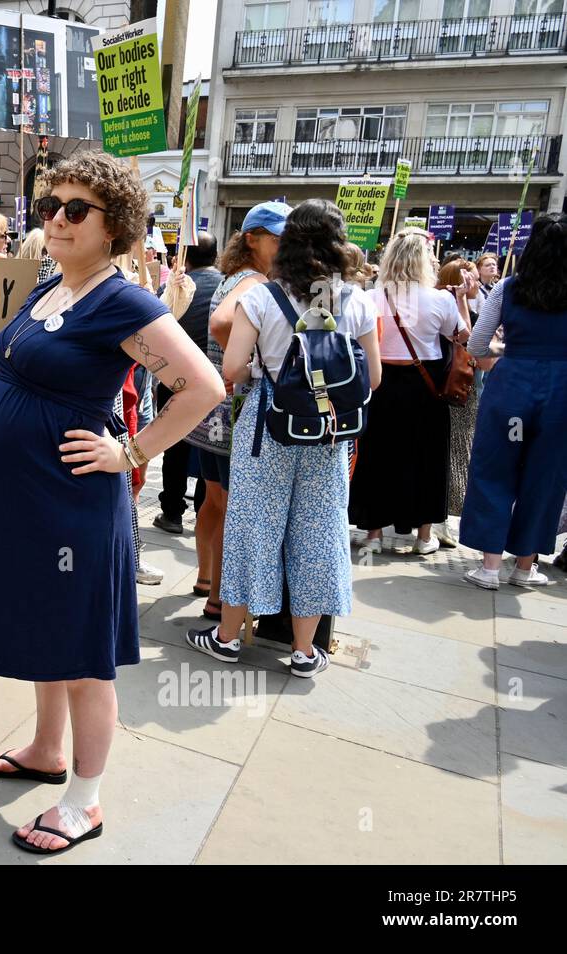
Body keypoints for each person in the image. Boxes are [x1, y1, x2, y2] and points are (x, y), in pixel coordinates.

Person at [0, 151, 224, 855]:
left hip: (69, 503)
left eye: (77, 210)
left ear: (117, 227)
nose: (59, 219)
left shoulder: (123, 302)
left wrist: (132, 452)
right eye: (51, 207)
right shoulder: (49, 287)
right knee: (45, 629)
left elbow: (202, 387)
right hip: (24, 501)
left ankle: (85, 799)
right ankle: (47, 750)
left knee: (80, 653)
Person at [188, 198, 382, 677]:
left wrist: (263, 368)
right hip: (327, 431)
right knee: (318, 534)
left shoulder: (262, 297)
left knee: (253, 528)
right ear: (338, 244)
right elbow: (372, 378)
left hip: (266, 428)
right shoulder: (356, 301)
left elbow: (231, 369)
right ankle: (302, 650)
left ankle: (229, 638)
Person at [187, 203, 287, 620]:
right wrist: (248, 361)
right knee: (227, 506)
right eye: (278, 239)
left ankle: (206, 579)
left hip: (214, 410)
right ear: (252, 239)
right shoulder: (255, 280)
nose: (285, 248)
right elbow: (221, 324)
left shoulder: (235, 276)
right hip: (233, 409)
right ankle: (219, 601)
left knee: (213, 502)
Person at [461, 213, 567, 589]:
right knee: (546, 476)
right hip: (561, 395)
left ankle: (489, 566)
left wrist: (506, 347)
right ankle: (525, 566)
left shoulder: (508, 287)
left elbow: (476, 345)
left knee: (496, 469)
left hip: (512, 388)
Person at [350, 227, 467, 556]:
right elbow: (462, 337)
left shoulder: (372, 296)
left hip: (381, 381)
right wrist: (462, 303)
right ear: (423, 262)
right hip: (424, 386)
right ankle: (423, 534)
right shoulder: (440, 299)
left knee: (377, 456)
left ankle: (374, 533)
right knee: (425, 458)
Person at [152, 232, 221, 537]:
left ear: (185, 258)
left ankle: (172, 512)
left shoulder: (175, 289)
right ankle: (205, 508)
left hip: (177, 378)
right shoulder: (229, 286)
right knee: (212, 446)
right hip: (216, 379)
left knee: (174, 444)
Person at [436, 258, 482, 548]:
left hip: (460, 387)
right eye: (472, 277)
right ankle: (443, 520)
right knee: (454, 454)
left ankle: (443, 519)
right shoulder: (449, 304)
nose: (476, 282)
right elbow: (470, 343)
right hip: (457, 387)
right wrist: (462, 299)